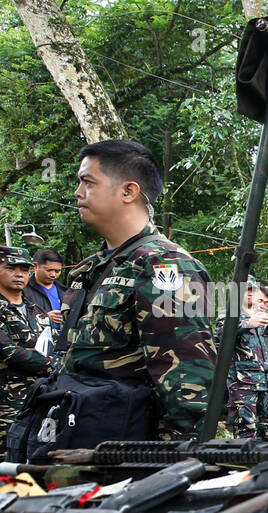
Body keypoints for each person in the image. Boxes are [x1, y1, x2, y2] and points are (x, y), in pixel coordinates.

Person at [15, 140, 216, 452]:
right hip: (75, 440)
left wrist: (181, 466)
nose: (78, 193)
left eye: (88, 182)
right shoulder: (88, 270)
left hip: (126, 455)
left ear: (128, 191)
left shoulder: (165, 266)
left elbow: (186, 388)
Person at [0, 246, 51, 449]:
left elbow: (53, 342)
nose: (19, 274)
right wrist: (51, 364)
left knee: (35, 454)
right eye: (11, 268)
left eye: (24, 269)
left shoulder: (36, 310)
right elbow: (7, 350)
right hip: (6, 402)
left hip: (39, 396)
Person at [226, 282, 268, 438]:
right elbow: (221, 336)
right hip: (243, 385)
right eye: (245, 289)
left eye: (252, 290)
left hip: (266, 384)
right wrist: (247, 324)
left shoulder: (261, 319)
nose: (249, 293)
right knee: (246, 431)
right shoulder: (230, 315)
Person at [23, 249, 64, 354]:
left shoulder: (65, 291)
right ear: (35, 266)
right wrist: (44, 318)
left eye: (57, 271)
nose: (53, 275)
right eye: (49, 270)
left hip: (62, 343)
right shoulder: (23, 290)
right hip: (36, 346)